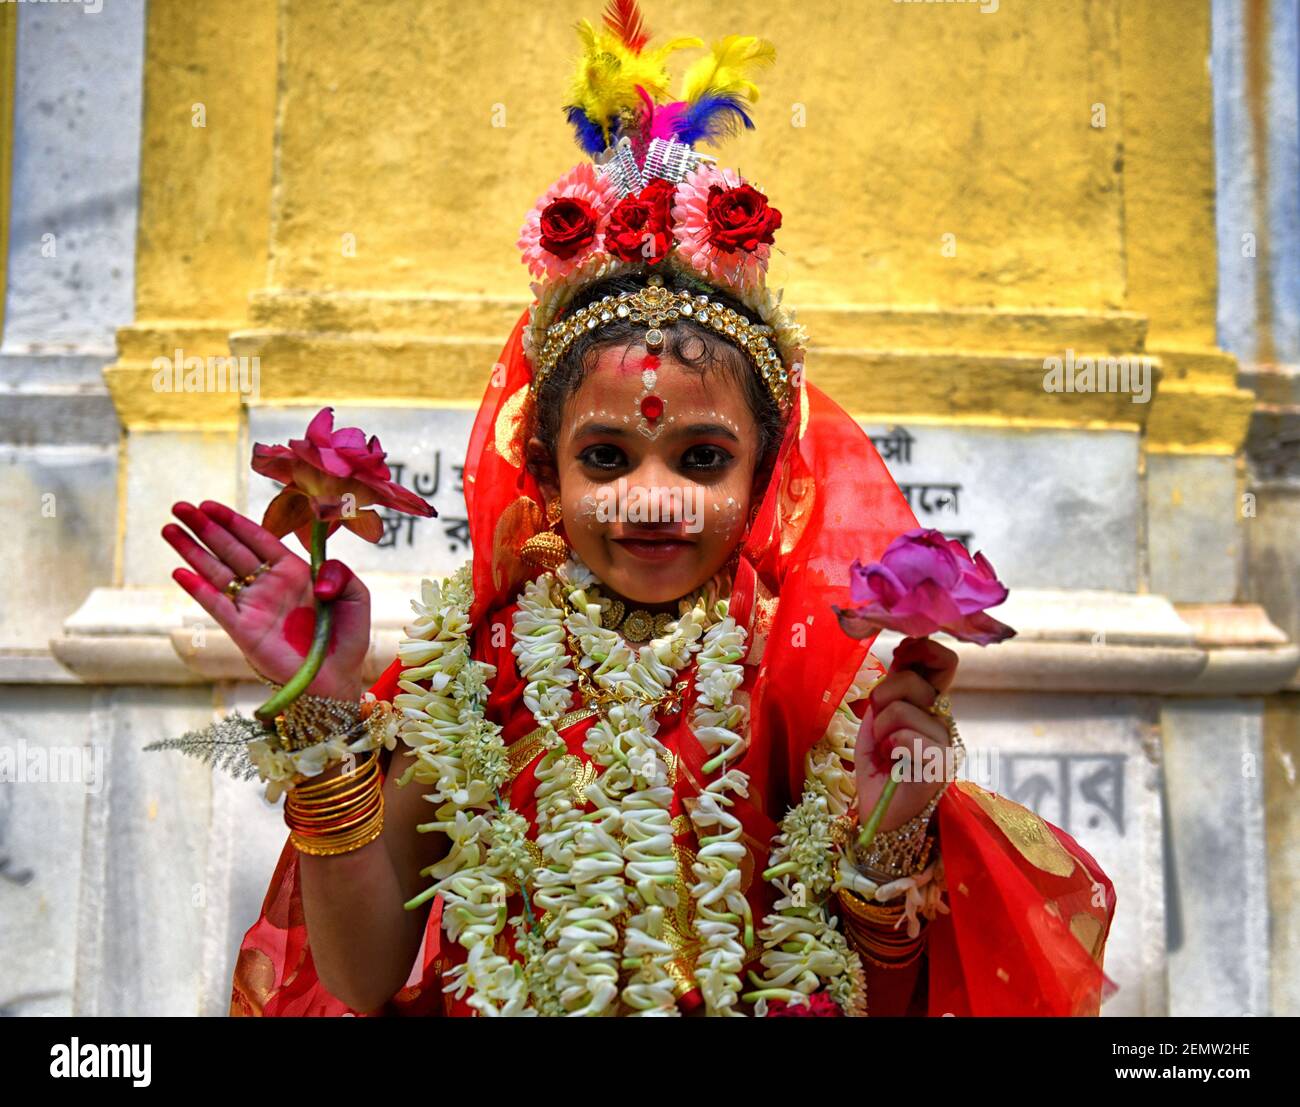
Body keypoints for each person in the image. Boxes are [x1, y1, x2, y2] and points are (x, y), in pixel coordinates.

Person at [163, 2, 1117, 1017]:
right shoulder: (469, 676)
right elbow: (357, 979)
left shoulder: (808, 688)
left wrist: (890, 831)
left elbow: (872, 1003)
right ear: (542, 470)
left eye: (702, 458)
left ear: (765, 475)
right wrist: (324, 708)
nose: (653, 497)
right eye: (606, 457)